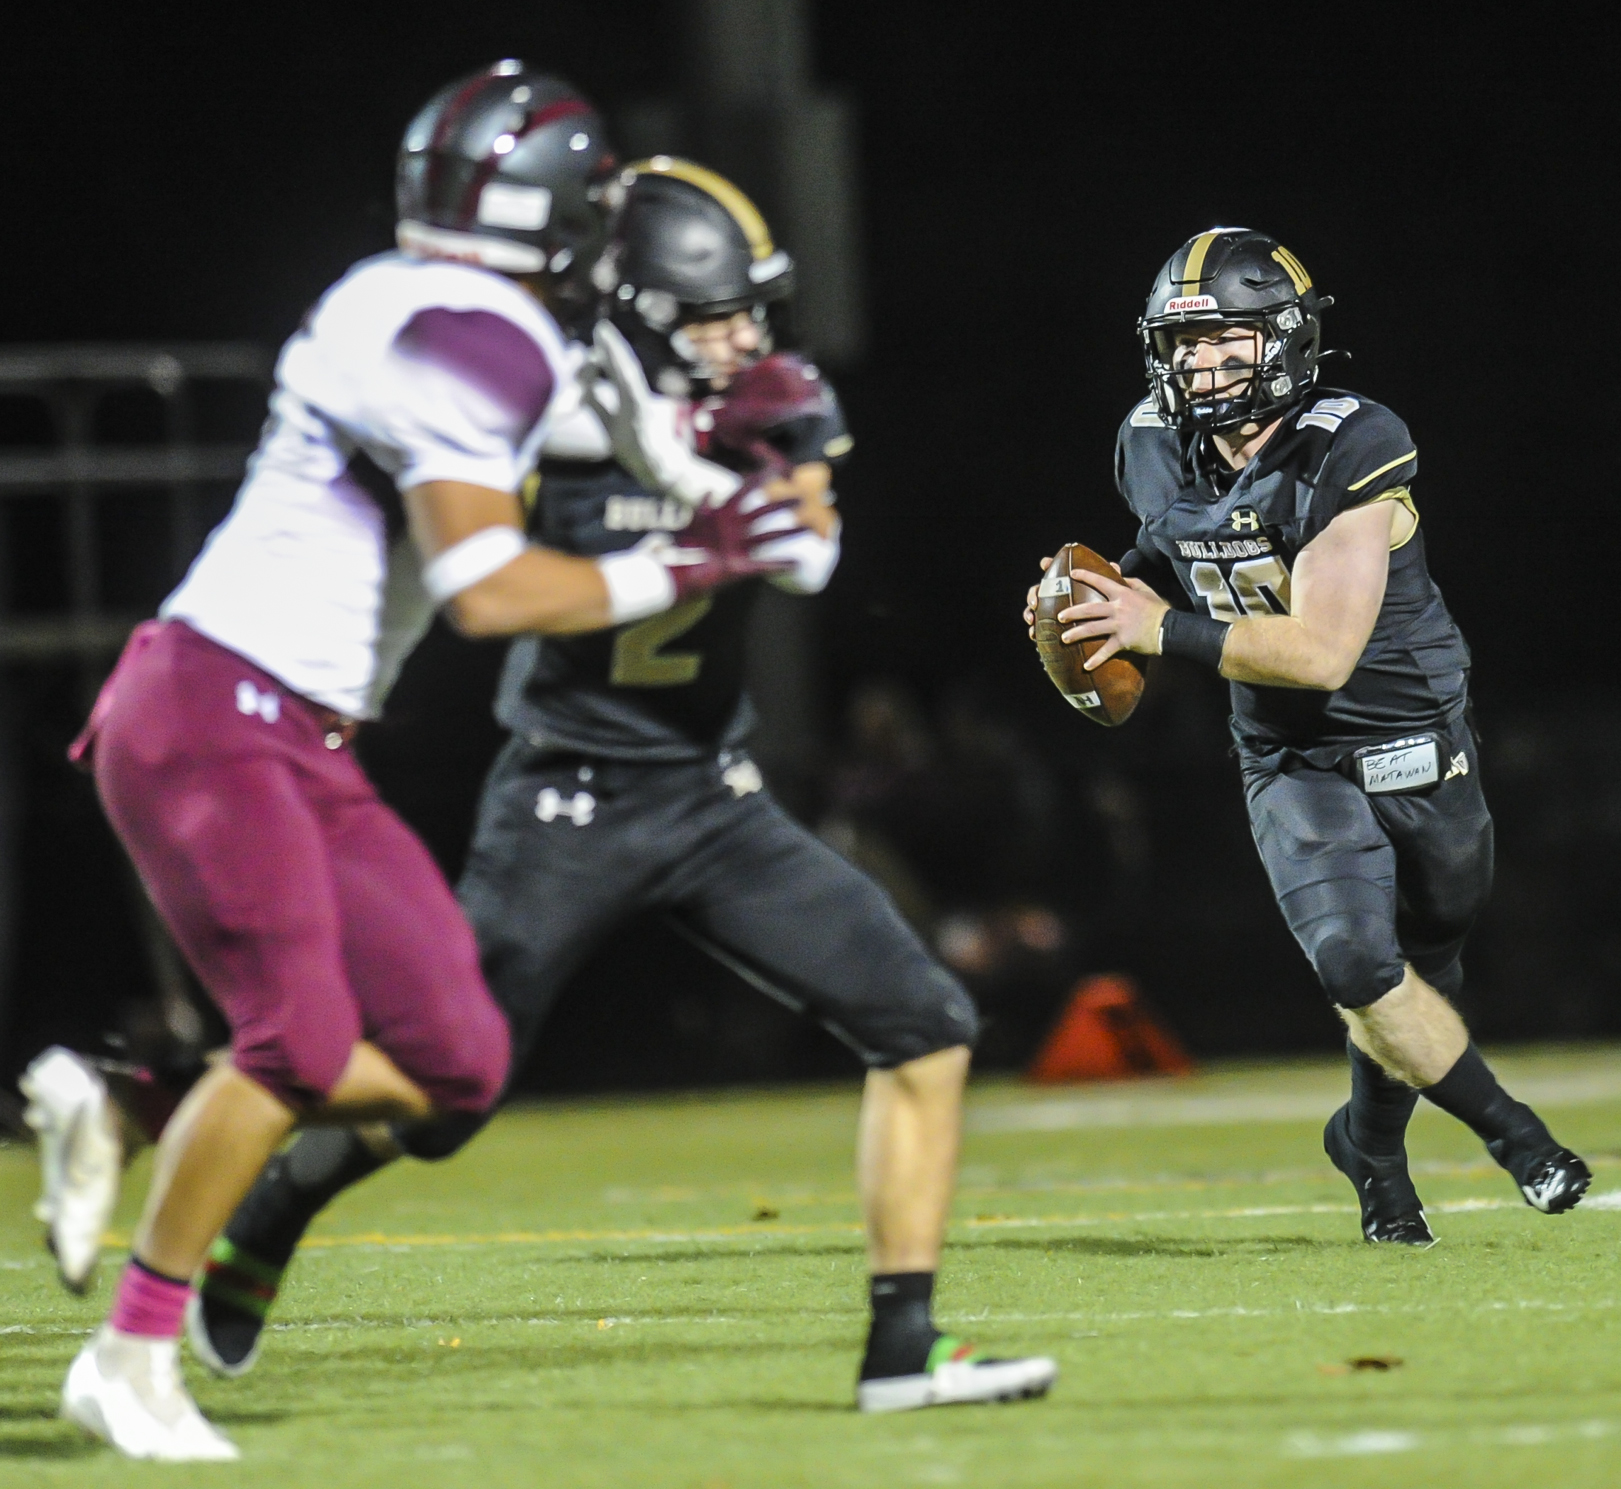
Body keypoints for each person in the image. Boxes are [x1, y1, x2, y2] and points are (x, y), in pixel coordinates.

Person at [178, 158, 1056, 1415]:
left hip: (711, 795)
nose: (745, 339)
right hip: (567, 801)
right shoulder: (543, 410)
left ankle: (900, 1351)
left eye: (754, 311)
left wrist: (734, 455)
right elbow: (503, 530)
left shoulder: (756, 404)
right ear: (636, 310)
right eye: (714, 316)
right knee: (439, 1095)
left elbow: (807, 561)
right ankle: (270, 1213)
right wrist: (678, 464)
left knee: (926, 1022)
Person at [55, 64, 796, 1461]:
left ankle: (129, 1097)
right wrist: (699, 553)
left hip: (305, 733)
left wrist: (731, 465)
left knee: (455, 1058)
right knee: (297, 1044)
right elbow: (492, 594)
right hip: (219, 705)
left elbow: (619, 422)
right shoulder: (478, 336)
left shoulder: (436, 306)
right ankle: (132, 1351)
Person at [1027, 228, 1592, 1247]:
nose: (1201, 365)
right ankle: (1521, 1141)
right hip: (1292, 758)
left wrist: (1155, 628)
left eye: (1227, 341)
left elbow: (1325, 652)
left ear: (1285, 341)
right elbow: (1171, 551)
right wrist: (1092, 597)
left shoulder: (1352, 440)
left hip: (1420, 738)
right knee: (1352, 960)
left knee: (1427, 963)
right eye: (1185, 344)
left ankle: (1371, 1150)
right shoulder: (1148, 441)